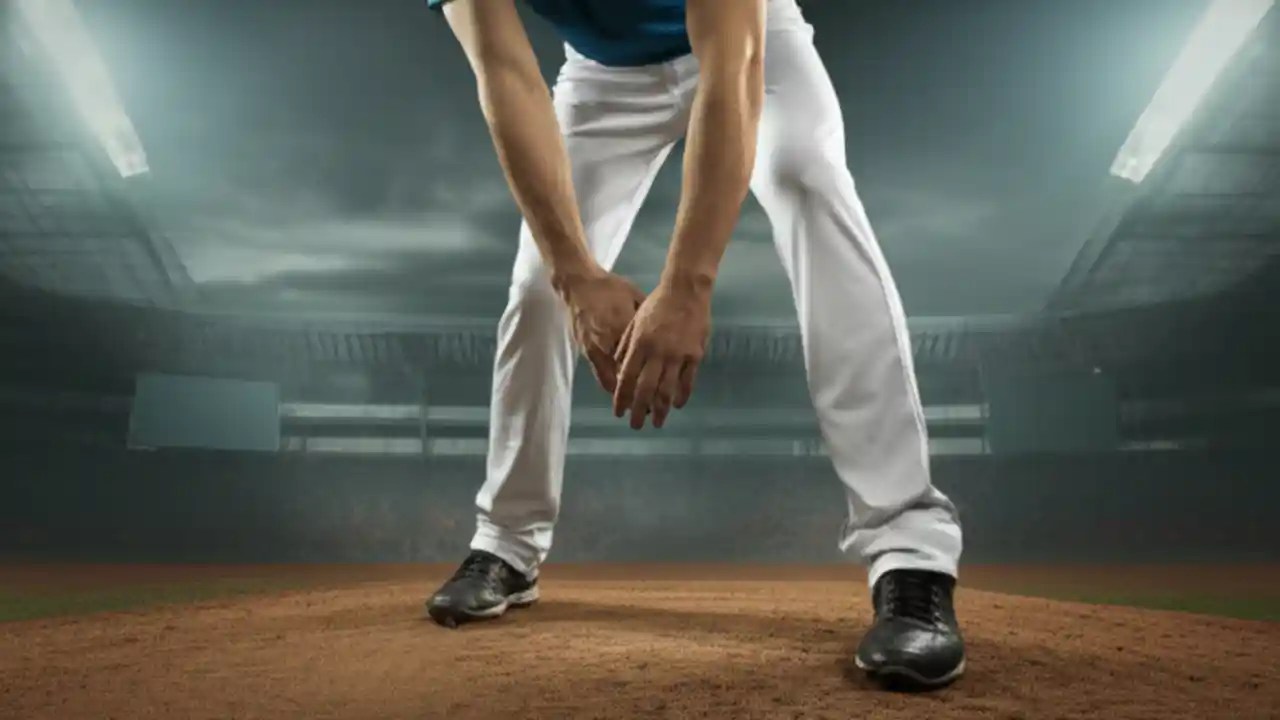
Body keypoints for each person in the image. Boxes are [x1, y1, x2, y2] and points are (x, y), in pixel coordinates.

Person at [424, 0, 966, 690]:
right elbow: (503, 72)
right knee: (537, 289)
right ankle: (505, 543)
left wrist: (687, 285)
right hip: (600, 79)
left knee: (808, 179)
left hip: (752, 39)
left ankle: (910, 550)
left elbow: (732, 63)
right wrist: (574, 273)